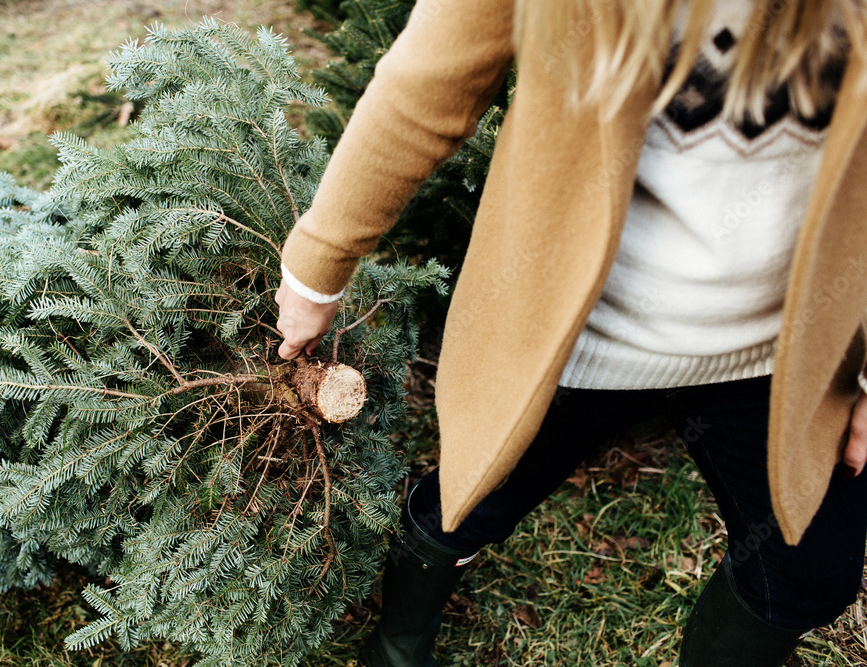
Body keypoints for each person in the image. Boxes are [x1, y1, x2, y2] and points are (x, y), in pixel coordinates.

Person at [274, 0, 867, 665]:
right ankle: (397, 645)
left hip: (777, 355)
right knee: (468, 504)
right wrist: (317, 267)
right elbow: (425, 84)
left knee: (809, 569)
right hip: (578, 340)